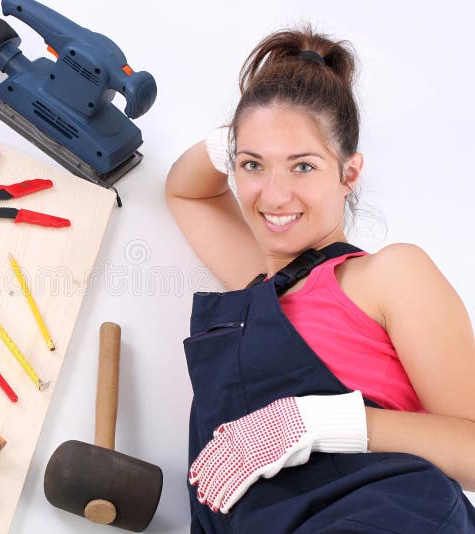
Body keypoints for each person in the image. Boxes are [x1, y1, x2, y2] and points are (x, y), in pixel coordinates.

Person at [165, 27, 475, 532]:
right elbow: (184, 191)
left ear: (349, 175)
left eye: (303, 166)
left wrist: (320, 423)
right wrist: (253, 130)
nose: (275, 195)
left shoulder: (386, 275)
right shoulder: (254, 290)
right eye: (253, 166)